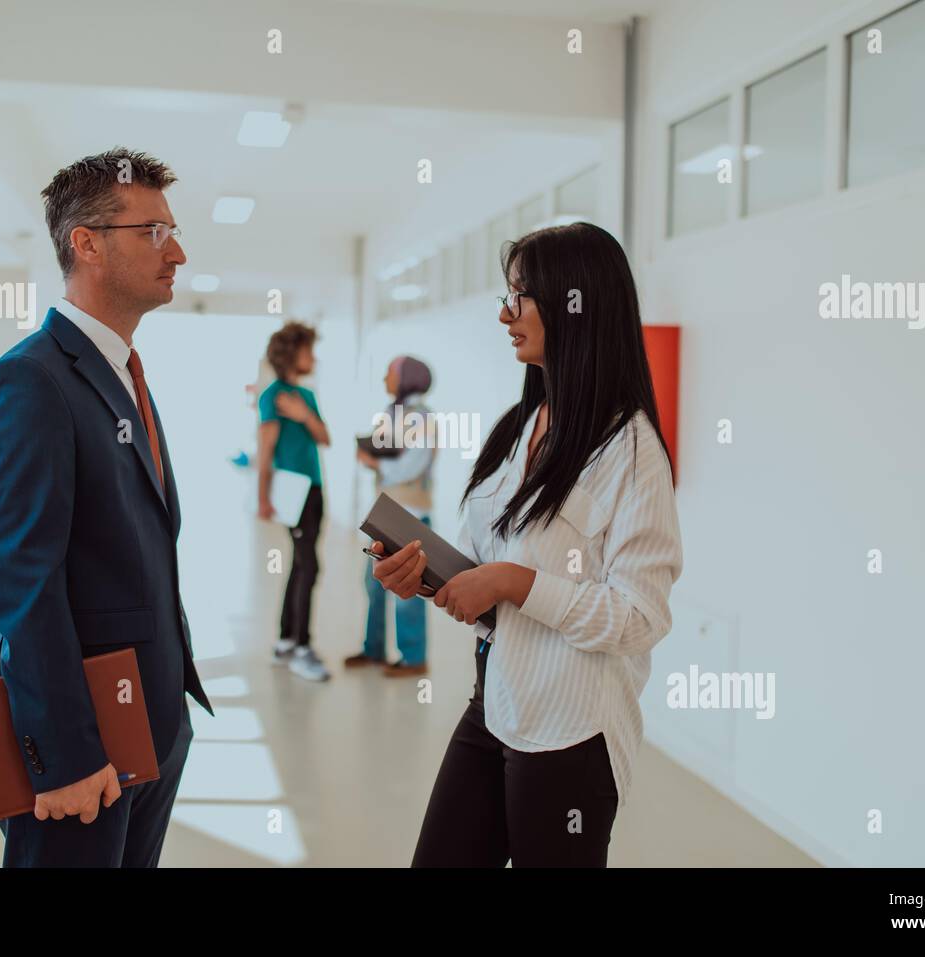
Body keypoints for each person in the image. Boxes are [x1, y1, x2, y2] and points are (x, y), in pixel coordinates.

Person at [369, 222, 683, 867]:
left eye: (521, 297)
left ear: (576, 303)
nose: (506, 315)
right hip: (495, 703)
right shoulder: (519, 427)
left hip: (572, 731)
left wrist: (515, 582)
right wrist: (423, 574)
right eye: (504, 298)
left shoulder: (632, 451)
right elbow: (481, 573)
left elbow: (641, 617)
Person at [0, 148, 213, 867]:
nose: (179, 251)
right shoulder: (32, 381)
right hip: (86, 742)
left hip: (153, 720)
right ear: (87, 242)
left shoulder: (122, 369)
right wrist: (65, 754)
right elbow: (23, 584)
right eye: (156, 232)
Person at [347, 356, 436, 676]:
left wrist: (374, 463)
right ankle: (373, 650)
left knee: (406, 589)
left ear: (406, 378)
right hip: (385, 513)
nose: (385, 378)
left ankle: (414, 659)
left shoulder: (421, 417)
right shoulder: (393, 413)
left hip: (409, 514)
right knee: (373, 583)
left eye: (389, 373)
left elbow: (411, 466)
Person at [257, 321, 332, 681]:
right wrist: (262, 497)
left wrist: (304, 415)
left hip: (314, 491)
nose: (313, 357)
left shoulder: (305, 397)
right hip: (292, 492)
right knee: (309, 566)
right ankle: (302, 647)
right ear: (291, 354)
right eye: (308, 350)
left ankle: (286, 641)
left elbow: (324, 437)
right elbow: (265, 448)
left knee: (302, 566)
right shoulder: (273, 395)